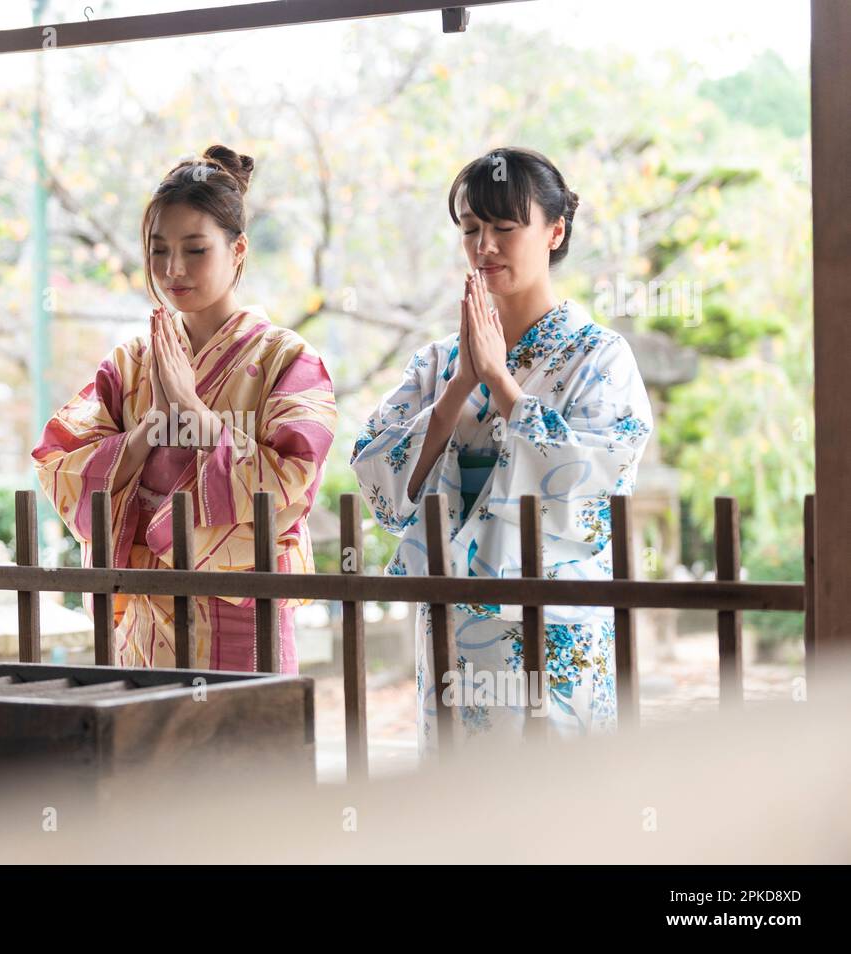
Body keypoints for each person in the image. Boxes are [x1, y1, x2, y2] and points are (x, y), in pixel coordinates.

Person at [349, 146, 655, 757]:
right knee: (461, 805)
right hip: (453, 621)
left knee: (556, 809)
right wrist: (461, 383)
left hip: (554, 623)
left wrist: (507, 389)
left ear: (555, 230)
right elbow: (377, 475)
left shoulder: (600, 356)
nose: (483, 246)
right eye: (470, 229)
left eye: (503, 228)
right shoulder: (438, 360)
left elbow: (600, 488)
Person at [32, 144, 336, 672]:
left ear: (237, 251)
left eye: (196, 250)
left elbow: (293, 480)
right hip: (145, 618)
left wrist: (195, 414)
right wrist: (145, 434)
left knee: (239, 749)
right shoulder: (129, 364)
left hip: (244, 614)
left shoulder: (288, 360)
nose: (173, 269)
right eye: (158, 250)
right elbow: (59, 463)